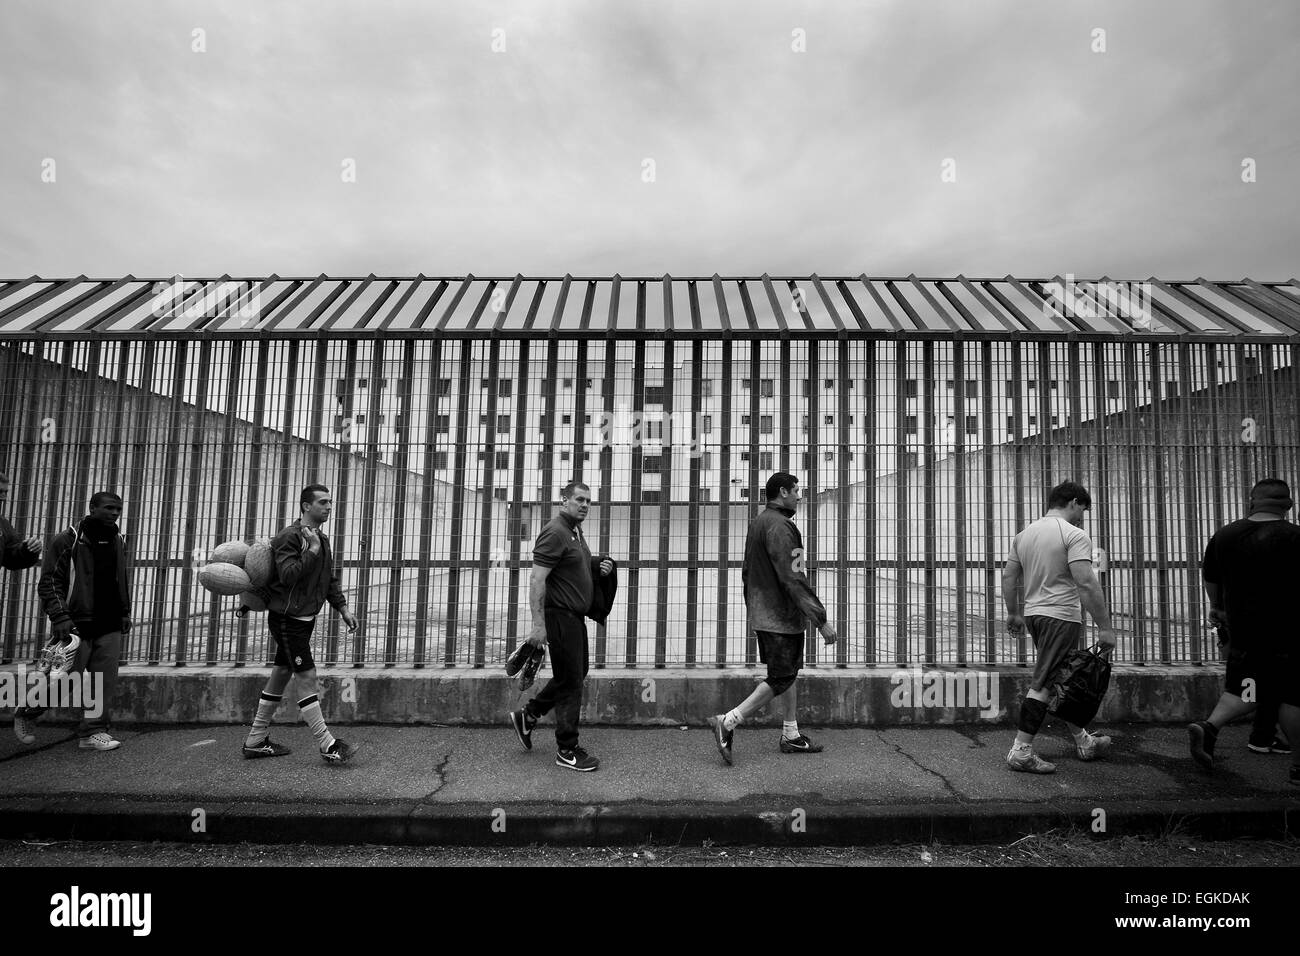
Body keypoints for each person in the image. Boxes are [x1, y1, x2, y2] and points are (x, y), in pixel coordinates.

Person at [708, 472, 837, 765]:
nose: (799, 496)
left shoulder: (759, 522)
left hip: (765, 613)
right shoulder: (783, 527)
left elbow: (747, 571)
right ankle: (727, 721)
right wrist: (820, 618)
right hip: (779, 616)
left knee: (787, 672)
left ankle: (791, 735)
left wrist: (755, 606)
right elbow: (794, 577)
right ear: (782, 492)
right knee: (781, 677)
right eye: (796, 491)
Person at [1189, 479, 1300, 786]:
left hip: (1244, 629)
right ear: (1288, 506)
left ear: (1252, 502)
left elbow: (1211, 576)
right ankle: (1298, 766)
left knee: (1244, 687)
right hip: (1290, 631)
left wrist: (1218, 606)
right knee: (1292, 695)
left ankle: (1209, 726)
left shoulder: (1225, 535)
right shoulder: (1295, 537)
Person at [1001, 480, 1116, 773]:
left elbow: (1009, 577)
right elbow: (1086, 583)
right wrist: (1105, 627)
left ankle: (1083, 740)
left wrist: (1014, 613)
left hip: (1035, 615)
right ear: (1074, 502)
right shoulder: (1073, 534)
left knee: (1061, 678)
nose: (1082, 516)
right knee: (1043, 684)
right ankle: (1021, 751)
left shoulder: (1024, 535)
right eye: (1083, 509)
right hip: (1061, 617)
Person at [240, 484, 360, 764]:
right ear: (306, 506)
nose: (329, 507)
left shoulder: (322, 539)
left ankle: (256, 740)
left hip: (304, 620)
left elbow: (327, 579)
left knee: (281, 673)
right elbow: (289, 575)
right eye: (322, 502)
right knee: (306, 676)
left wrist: (342, 607)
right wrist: (312, 550)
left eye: (330, 502)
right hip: (286, 619)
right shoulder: (289, 537)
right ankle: (328, 745)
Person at [508, 480, 614, 772]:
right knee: (570, 682)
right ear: (563, 500)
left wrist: (597, 566)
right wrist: (538, 626)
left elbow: (572, 565)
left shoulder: (574, 533)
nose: (584, 505)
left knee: (575, 674)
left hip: (574, 617)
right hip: (560, 616)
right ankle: (567, 749)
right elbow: (537, 579)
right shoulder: (555, 531)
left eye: (588, 501)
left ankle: (528, 716)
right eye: (579, 499)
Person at [19, 492, 131, 751]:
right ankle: (27, 712)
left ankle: (92, 733)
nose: (114, 513)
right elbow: (49, 582)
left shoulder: (117, 540)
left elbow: (119, 579)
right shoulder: (67, 540)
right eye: (108, 508)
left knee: (103, 683)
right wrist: (60, 616)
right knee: (63, 681)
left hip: (110, 622)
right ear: (92, 508)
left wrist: (124, 612)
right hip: (76, 623)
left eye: (118, 509)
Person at [3, 473, 49, 744]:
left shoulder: (2, 525)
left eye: (6, 490)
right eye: (0, 489)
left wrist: (28, 550)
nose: (3, 494)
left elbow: (12, 557)